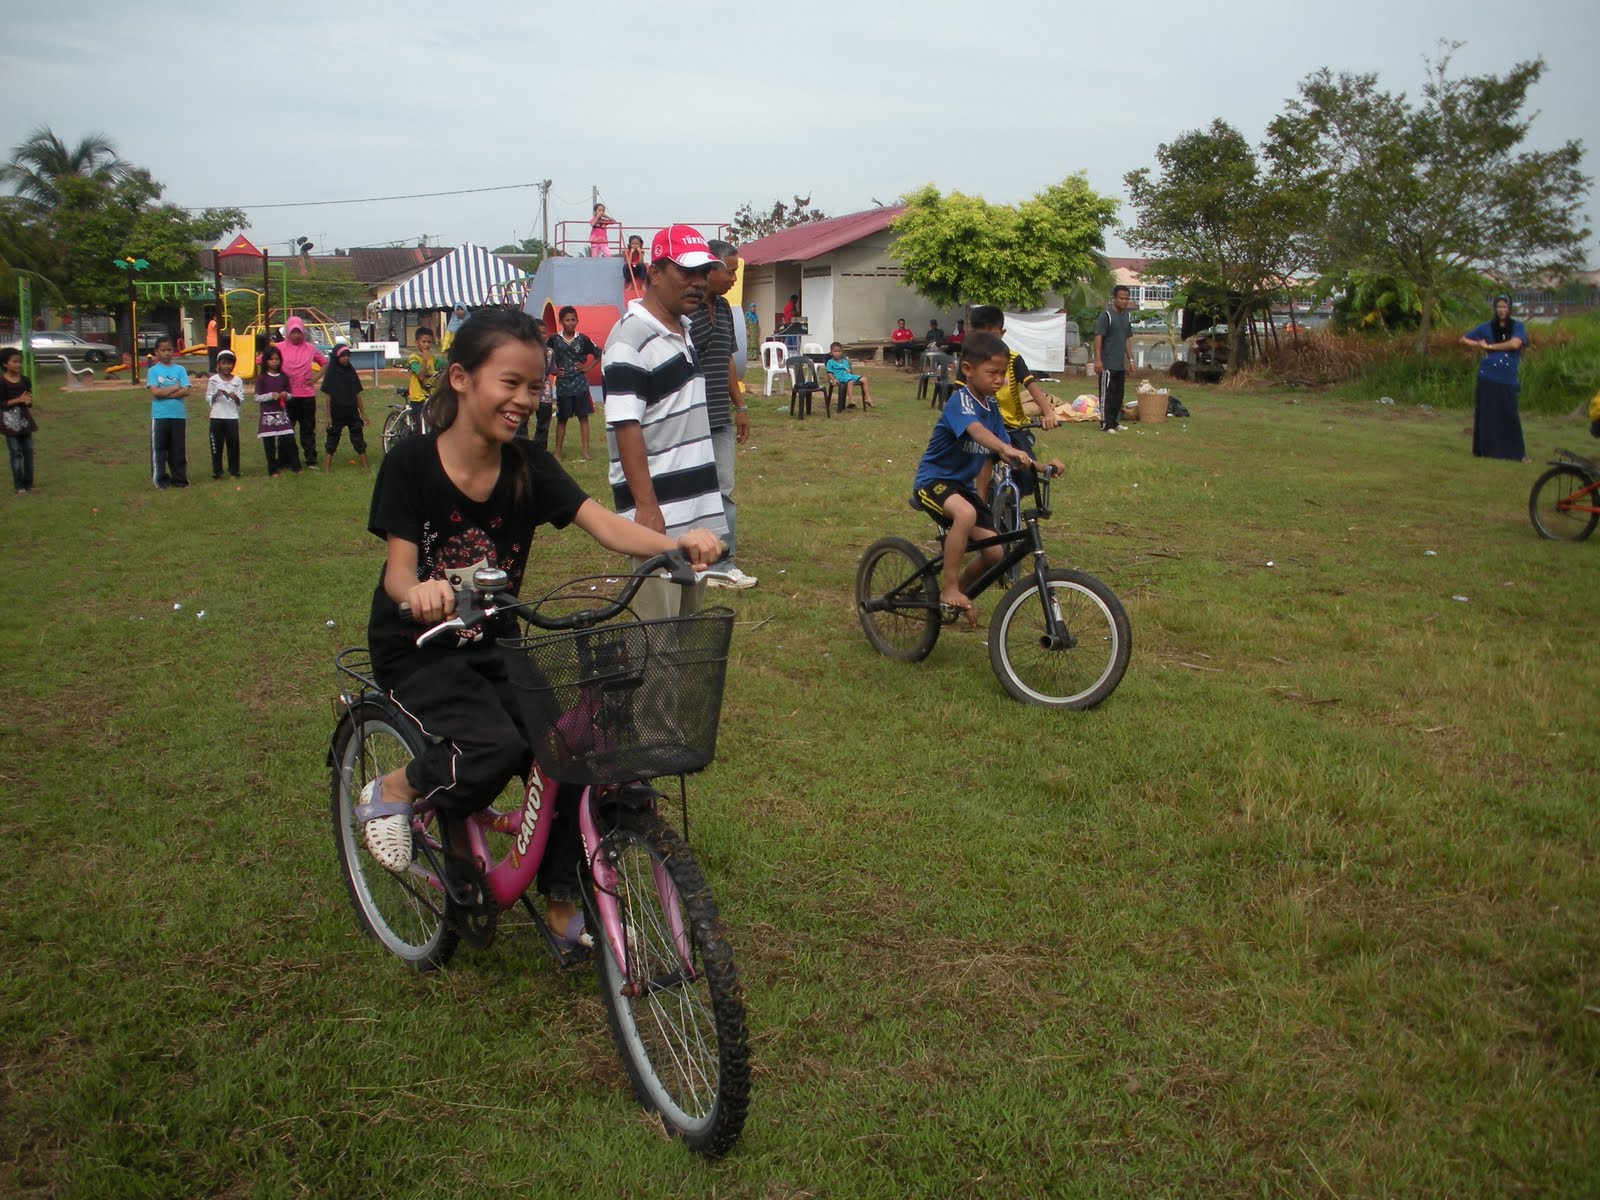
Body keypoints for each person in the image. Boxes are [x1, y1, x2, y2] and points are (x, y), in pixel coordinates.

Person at [355, 307, 722, 949]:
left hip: (496, 643)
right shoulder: (411, 463)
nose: (525, 399)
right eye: (510, 382)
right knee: (492, 747)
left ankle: (560, 903)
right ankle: (395, 787)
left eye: (535, 385)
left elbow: (603, 524)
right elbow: (399, 573)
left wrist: (673, 545)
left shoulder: (527, 463)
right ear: (461, 378)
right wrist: (419, 593)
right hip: (420, 649)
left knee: (568, 751)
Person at [603, 224, 730, 619]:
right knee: (656, 634)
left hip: (694, 512)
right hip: (659, 517)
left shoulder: (683, 329)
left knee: (687, 632)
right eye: (686, 272)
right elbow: (626, 427)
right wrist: (646, 509)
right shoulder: (629, 338)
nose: (698, 283)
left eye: (703, 273)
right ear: (655, 273)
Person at [911, 333, 1061, 622]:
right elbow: (978, 433)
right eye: (992, 373)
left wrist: (1044, 467)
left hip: (962, 488)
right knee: (965, 514)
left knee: (995, 554)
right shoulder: (960, 402)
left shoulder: (991, 408)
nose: (1000, 380)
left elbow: (1008, 451)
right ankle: (949, 587)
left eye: (1003, 374)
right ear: (968, 369)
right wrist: (1005, 447)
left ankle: (957, 597)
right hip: (933, 482)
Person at [688, 239, 757, 590]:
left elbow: (728, 359)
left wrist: (740, 406)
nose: (733, 279)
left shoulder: (727, 309)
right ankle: (691, 562)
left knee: (724, 490)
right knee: (691, 492)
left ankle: (724, 563)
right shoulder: (685, 311)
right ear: (709, 270)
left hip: (719, 417)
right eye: (728, 272)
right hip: (688, 418)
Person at [964, 306, 1059, 487]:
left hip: (1012, 426)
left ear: (1002, 333)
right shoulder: (970, 363)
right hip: (981, 425)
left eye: (993, 335)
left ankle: (1011, 502)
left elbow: (1032, 386)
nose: (988, 342)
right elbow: (958, 394)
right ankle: (980, 503)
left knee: (1026, 477)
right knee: (975, 462)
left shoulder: (1013, 359)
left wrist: (1048, 412)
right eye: (982, 336)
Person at [1460, 295, 1530, 462]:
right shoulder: (1486, 327)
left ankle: (1516, 453)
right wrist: (1479, 345)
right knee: (1487, 414)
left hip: (1507, 378)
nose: (1502, 310)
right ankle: (1485, 450)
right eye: (1499, 307)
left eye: (1505, 307)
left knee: (1510, 414)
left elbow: (1514, 344)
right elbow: (1464, 339)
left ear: (1509, 308)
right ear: (1495, 308)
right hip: (1488, 376)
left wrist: (1490, 346)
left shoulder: (1517, 326)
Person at [546, 306, 601, 462]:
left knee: (583, 417)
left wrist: (587, 368)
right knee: (562, 419)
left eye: (573, 320)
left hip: (580, 385)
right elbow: (543, 354)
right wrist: (552, 371)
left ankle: (585, 452)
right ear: (561, 321)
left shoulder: (582, 339)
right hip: (563, 385)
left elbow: (598, 353)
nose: (570, 323)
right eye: (567, 320)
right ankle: (557, 453)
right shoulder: (554, 339)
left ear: (577, 321)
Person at [279, 316, 327, 467]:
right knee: (287, 429)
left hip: (307, 396)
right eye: (293, 332)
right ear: (288, 332)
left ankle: (311, 458)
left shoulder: (310, 348)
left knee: (308, 429)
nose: (296, 335)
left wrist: (315, 378)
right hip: (288, 396)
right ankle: (287, 459)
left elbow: (325, 363)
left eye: (298, 332)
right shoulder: (279, 348)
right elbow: (263, 360)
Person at [146, 337, 193, 489]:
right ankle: (160, 479)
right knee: (159, 449)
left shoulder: (180, 370)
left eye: (169, 350)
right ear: (156, 352)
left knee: (178, 450)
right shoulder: (153, 371)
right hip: (160, 416)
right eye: (163, 350)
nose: (166, 353)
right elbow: (156, 392)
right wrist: (175, 388)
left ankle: (179, 479)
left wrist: (166, 393)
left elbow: (187, 390)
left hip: (178, 416)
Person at [1094, 285, 1135, 433]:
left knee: (1119, 395)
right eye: (1121, 298)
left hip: (1119, 363)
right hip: (1107, 363)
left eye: (1127, 298)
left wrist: (1131, 360)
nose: (1124, 301)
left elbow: (1127, 338)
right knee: (1107, 395)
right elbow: (1098, 337)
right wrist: (1098, 360)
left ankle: (1114, 422)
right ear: (1114, 298)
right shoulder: (1106, 315)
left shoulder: (1126, 316)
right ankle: (1106, 424)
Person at [321, 344, 368, 470]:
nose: (346, 358)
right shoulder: (331, 373)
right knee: (332, 440)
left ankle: (366, 467)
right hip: (336, 412)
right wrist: (328, 417)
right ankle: (326, 469)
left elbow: (357, 393)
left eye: (347, 355)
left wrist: (363, 413)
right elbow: (328, 396)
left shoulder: (351, 371)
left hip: (351, 411)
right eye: (343, 356)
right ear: (336, 357)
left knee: (358, 439)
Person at [254, 344, 299, 475]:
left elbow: (291, 395)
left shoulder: (283, 377)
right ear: (266, 361)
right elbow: (256, 397)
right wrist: (270, 395)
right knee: (269, 444)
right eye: (272, 359)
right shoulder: (262, 378)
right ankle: (272, 470)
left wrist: (286, 395)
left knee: (289, 439)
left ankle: (295, 466)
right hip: (268, 414)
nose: (275, 361)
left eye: (277, 359)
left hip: (281, 414)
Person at [205, 349, 245, 480]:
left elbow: (241, 400)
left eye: (229, 363)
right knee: (216, 446)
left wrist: (235, 397)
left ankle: (234, 471)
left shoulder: (237, 380)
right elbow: (208, 397)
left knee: (233, 445)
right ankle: (217, 471)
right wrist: (216, 395)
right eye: (224, 363)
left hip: (231, 417)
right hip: (216, 417)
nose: (227, 366)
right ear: (218, 364)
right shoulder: (213, 380)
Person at [1, 347, 37, 494]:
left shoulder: (25, 380)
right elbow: (2, 403)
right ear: (5, 364)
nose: (18, 364)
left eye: (19, 362)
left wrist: (27, 401)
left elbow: (28, 400)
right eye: (14, 362)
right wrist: (18, 400)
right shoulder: (2, 382)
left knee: (29, 452)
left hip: (25, 421)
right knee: (15, 453)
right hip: (9, 423)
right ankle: (19, 485)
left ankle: (29, 483)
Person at [406, 328, 444, 430]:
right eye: (423, 342)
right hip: (417, 397)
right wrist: (424, 360)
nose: (426, 345)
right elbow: (421, 376)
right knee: (419, 425)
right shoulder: (413, 358)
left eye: (429, 342)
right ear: (417, 342)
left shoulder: (433, 358)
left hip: (430, 395)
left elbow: (446, 365)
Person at [823, 342, 874, 410]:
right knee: (850, 382)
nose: (837, 353)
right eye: (835, 351)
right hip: (839, 377)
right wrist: (833, 380)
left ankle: (867, 398)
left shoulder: (845, 361)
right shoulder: (830, 362)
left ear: (841, 352)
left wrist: (848, 371)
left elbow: (849, 370)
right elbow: (829, 372)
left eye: (839, 351)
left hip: (847, 375)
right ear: (831, 353)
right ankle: (851, 401)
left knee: (864, 379)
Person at [205, 310, 220, 375]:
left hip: (212, 342)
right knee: (213, 357)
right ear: (214, 317)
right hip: (213, 343)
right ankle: (212, 370)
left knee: (213, 357)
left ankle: (212, 369)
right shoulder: (212, 322)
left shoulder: (211, 322)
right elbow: (216, 325)